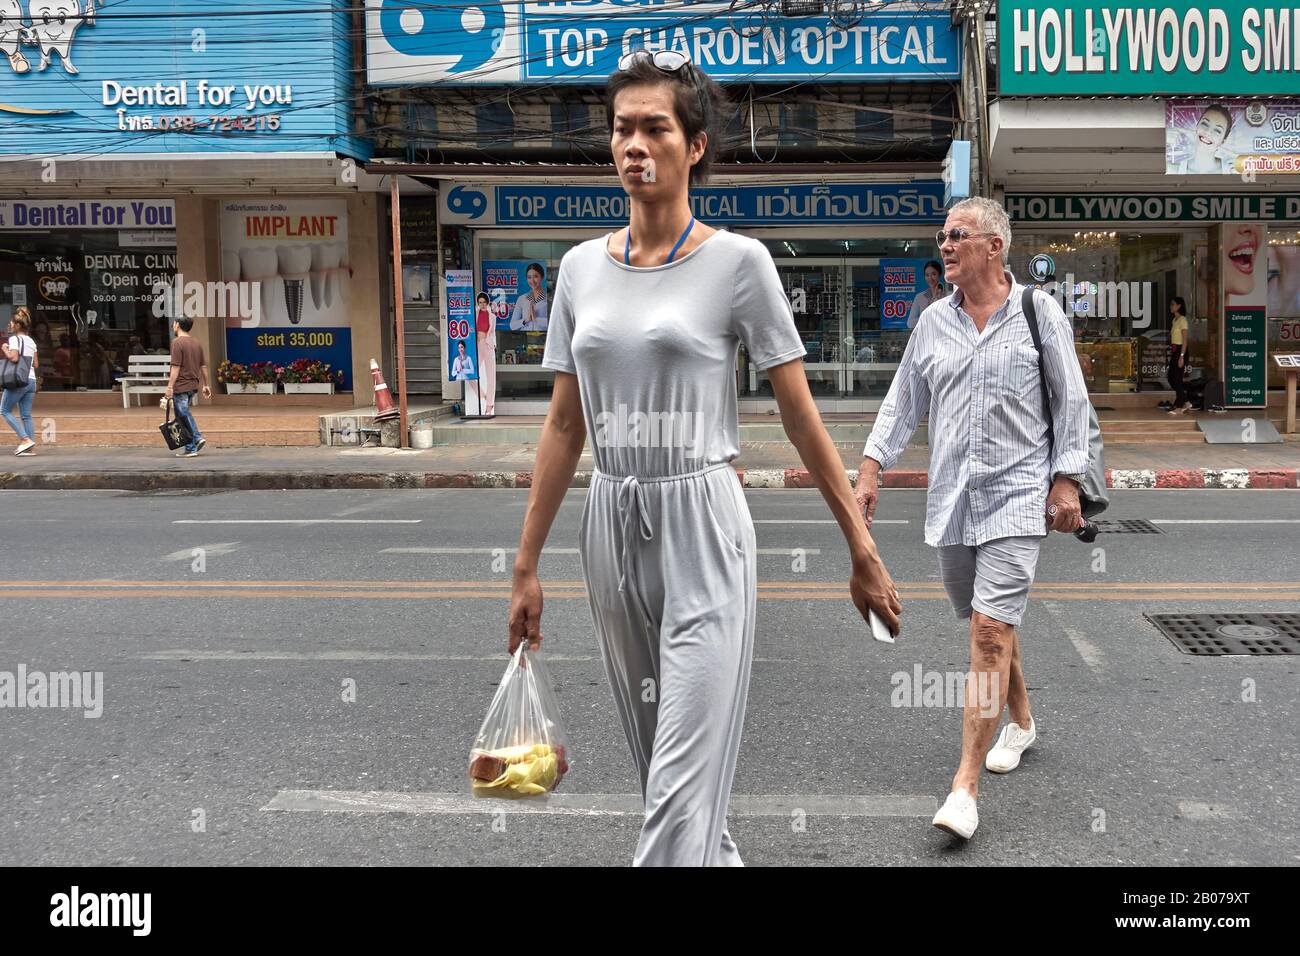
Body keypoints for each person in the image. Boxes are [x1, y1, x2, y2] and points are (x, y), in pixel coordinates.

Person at [508, 48, 900, 867]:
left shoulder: (738, 264)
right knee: (669, 781)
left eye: (654, 128)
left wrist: (860, 547)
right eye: (622, 130)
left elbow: (799, 415)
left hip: (703, 525)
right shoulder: (580, 270)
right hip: (611, 526)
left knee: (678, 796)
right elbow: (563, 427)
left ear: (694, 146)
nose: (633, 145)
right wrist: (525, 564)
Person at [855, 197, 1091, 842]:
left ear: (994, 245)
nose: (945, 244)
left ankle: (963, 789)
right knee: (990, 618)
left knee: (988, 631)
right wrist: (872, 469)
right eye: (942, 235)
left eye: (957, 234)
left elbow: (1072, 402)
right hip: (954, 497)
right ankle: (1022, 719)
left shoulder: (1039, 315)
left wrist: (1065, 479)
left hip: (1018, 494)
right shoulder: (934, 322)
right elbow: (904, 401)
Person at [165, 316, 211, 458]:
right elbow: (203, 366)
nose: (173, 325)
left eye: (174, 323)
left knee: (183, 416)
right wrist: (206, 384)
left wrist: (170, 387)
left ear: (177, 325)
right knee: (183, 414)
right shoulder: (196, 343)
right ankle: (193, 442)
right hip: (192, 385)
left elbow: (175, 367)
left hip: (181, 385)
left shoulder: (177, 342)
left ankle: (193, 444)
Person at [1, 307, 39, 455]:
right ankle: (29, 449)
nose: (9, 325)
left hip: (18, 380)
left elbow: (14, 358)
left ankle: (25, 440)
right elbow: (35, 364)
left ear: (17, 325)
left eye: (11, 323)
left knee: (4, 410)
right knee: (26, 415)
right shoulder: (31, 341)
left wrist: (5, 349)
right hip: (31, 381)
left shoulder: (13, 339)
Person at [1171, 104, 1237, 175]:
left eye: (1217, 131)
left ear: (1223, 142)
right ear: (1197, 126)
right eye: (1205, 124)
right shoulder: (1172, 170)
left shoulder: (1232, 171)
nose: (1208, 132)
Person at [1165, 297, 1192, 414]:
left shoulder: (1183, 320)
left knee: (1177, 378)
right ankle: (1185, 401)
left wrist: (1182, 355)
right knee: (1171, 377)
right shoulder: (1174, 320)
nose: (1171, 306)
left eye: (1173, 304)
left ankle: (1180, 406)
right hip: (1175, 351)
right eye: (1171, 304)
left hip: (1181, 350)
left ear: (1179, 306)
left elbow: (1185, 340)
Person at [906, 259, 946, 329]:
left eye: (933, 274)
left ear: (939, 275)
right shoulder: (919, 297)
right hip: (926, 337)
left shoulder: (947, 296)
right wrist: (928, 318)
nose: (930, 278)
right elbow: (910, 323)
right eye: (927, 275)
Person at [509, 263, 549, 331]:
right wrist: (525, 320)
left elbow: (555, 322)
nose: (532, 281)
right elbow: (512, 325)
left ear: (542, 277)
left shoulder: (549, 298)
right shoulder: (522, 298)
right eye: (529, 277)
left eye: (535, 276)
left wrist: (536, 319)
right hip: (525, 337)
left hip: (543, 337)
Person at [475, 292, 497, 414]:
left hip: (488, 345)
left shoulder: (492, 317)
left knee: (490, 377)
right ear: (478, 304)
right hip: (477, 344)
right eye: (480, 302)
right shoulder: (475, 314)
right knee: (471, 373)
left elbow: (492, 333)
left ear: (487, 303)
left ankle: (489, 405)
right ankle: (482, 395)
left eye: (484, 302)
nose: (482, 304)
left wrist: (492, 345)